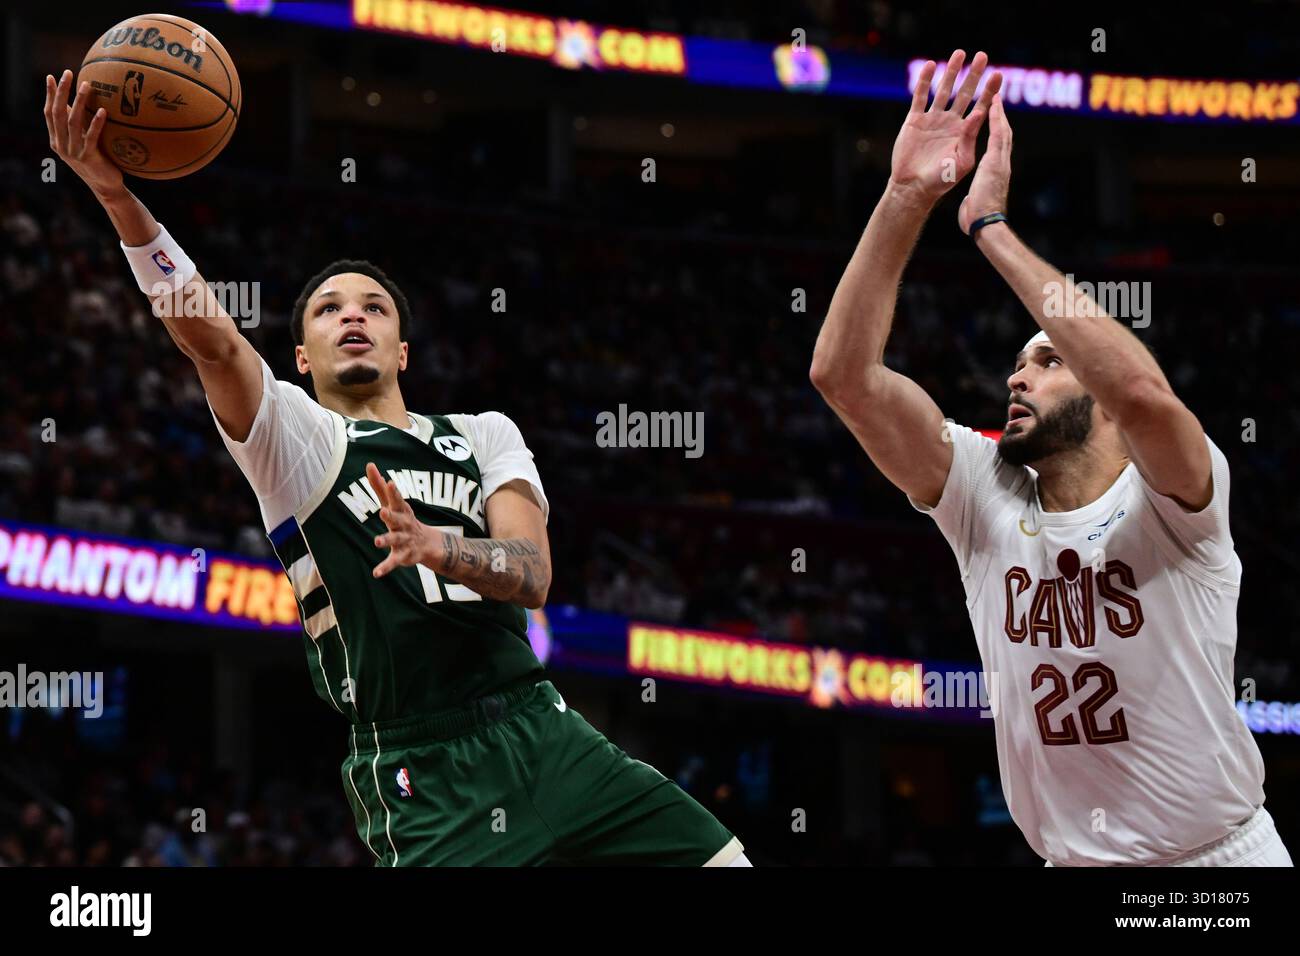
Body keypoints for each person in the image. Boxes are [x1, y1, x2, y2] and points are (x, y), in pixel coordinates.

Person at [43, 68, 747, 867]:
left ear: (401, 348)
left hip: (544, 728)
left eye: (373, 307)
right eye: (329, 308)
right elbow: (208, 333)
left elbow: (534, 574)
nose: (353, 315)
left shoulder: (483, 434)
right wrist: (116, 198)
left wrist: (439, 547)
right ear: (300, 357)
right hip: (422, 763)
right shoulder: (294, 441)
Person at [811, 50, 1291, 867]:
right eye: (1022, 364)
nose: (1016, 376)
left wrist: (988, 228)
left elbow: (1142, 393)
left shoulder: (1177, 496)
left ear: (1098, 389)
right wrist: (905, 197)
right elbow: (843, 377)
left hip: (1219, 864)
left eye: (1047, 362)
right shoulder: (981, 491)